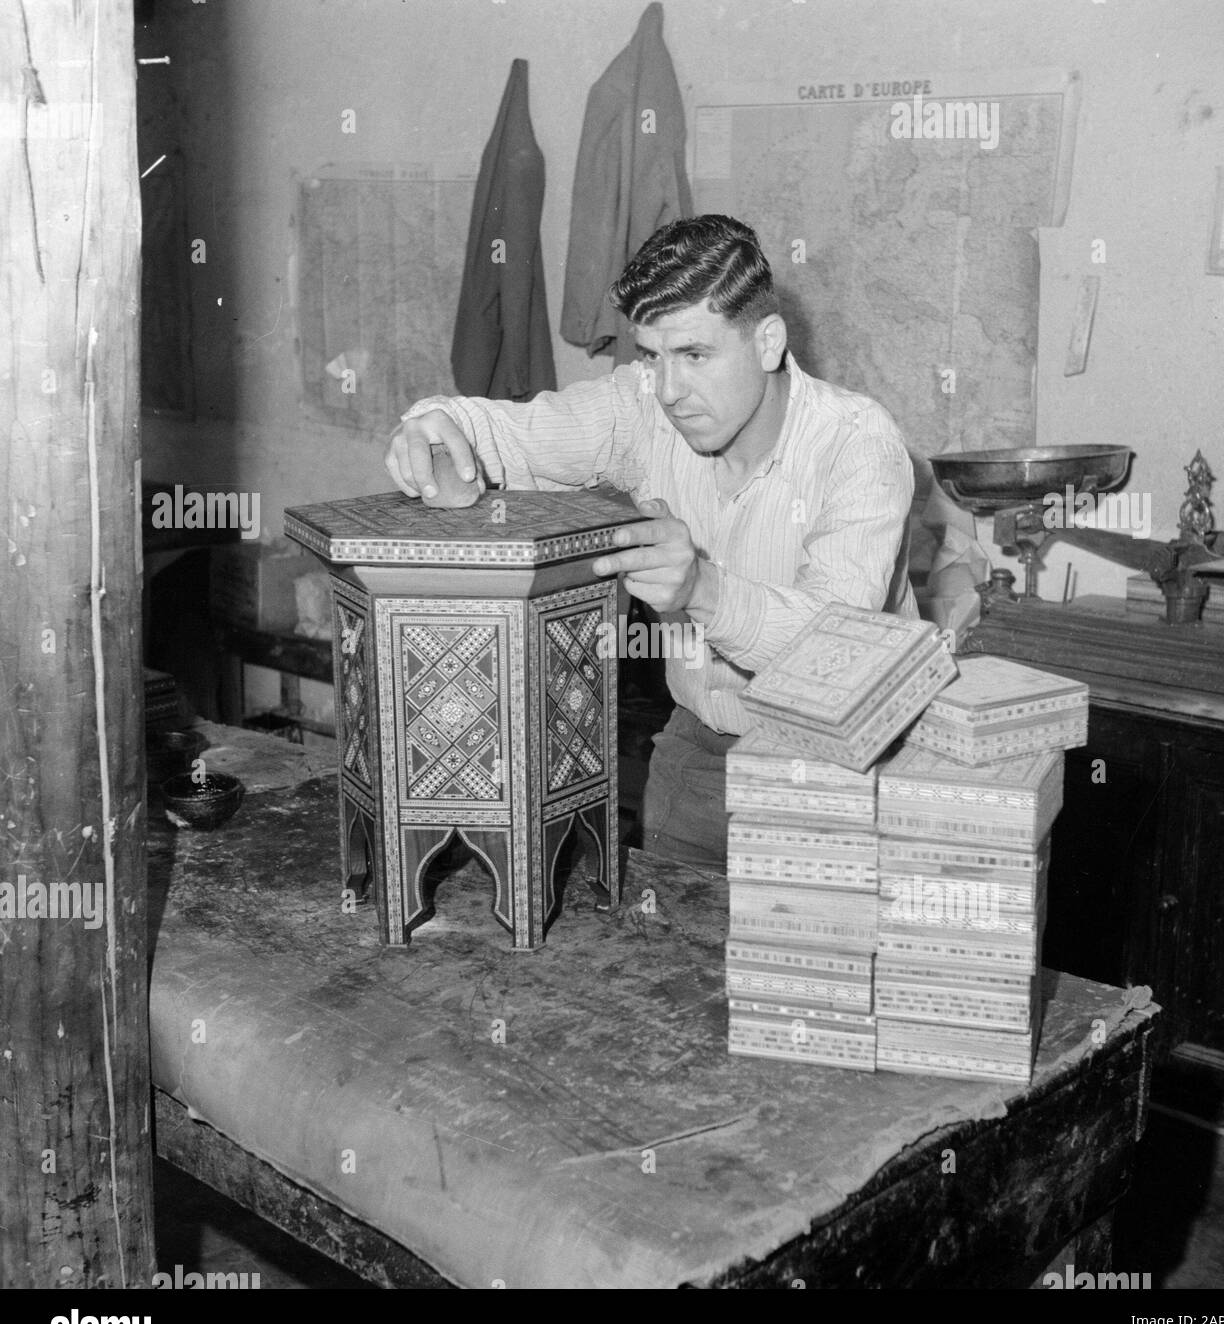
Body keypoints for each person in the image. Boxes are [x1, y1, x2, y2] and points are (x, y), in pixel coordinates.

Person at [384, 214, 916, 871]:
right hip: (702, 746)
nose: (668, 390)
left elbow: (839, 653)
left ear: (769, 341)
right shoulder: (645, 406)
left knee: (805, 966)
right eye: (650, 355)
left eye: (694, 355)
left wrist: (701, 589)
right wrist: (434, 425)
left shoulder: (858, 443)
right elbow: (518, 431)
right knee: (664, 952)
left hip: (849, 765)